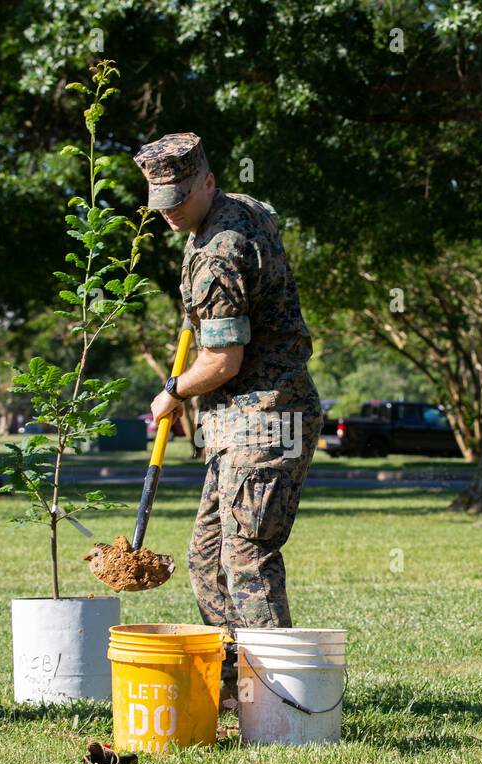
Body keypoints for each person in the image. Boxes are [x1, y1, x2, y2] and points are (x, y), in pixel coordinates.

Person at [133, 132, 323, 703]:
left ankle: (280, 702)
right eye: (159, 203)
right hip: (240, 421)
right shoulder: (239, 209)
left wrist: (173, 391)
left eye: (179, 200)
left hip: (266, 416)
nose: (169, 214)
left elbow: (223, 360)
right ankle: (234, 686)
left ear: (208, 182)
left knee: (246, 557)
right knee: (207, 559)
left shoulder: (219, 252)